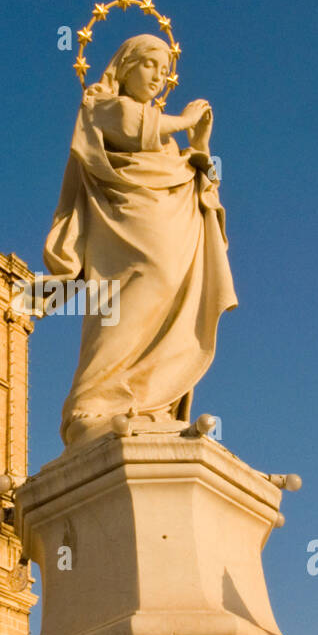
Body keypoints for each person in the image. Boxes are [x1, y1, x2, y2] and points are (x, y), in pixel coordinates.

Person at [43, 32, 237, 447]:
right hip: (123, 232)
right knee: (129, 295)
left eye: (165, 71)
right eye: (150, 64)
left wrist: (198, 148)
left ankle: (149, 402)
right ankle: (91, 405)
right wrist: (186, 122)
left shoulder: (166, 141)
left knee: (171, 293)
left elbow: (196, 181)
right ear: (126, 65)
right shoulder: (100, 106)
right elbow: (131, 127)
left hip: (170, 227)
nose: (158, 77)